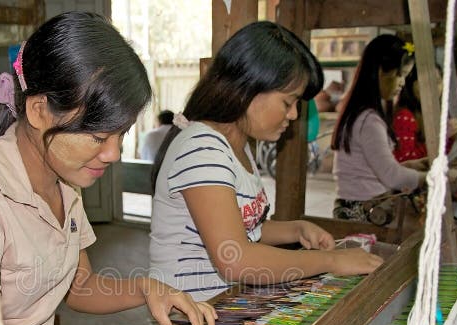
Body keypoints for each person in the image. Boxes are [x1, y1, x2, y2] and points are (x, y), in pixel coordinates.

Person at [0, 12, 215, 325]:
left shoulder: (64, 178)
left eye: (121, 135)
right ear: (38, 111)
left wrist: (145, 288)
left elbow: (79, 287)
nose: (113, 153)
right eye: (99, 136)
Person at [149, 21, 383, 302]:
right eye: (288, 102)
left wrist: (295, 229)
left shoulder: (237, 146)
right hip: (191, 317)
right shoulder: (202, 150)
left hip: (224, 305)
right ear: (249, 89)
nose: (294, 115)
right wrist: (331, 261)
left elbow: (244, 229)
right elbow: (235, 258)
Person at [331, 34, 426, 223]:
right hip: (362, 211)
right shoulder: (369, 121)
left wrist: (412, 166)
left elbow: (373, 166)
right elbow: (392, 176)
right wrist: (430, 178)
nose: (402, 83)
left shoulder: (361, 115)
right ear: (380, 71)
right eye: (399, 75)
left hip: (355, 204)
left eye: (405, 76)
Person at [392, 65, 457, 163]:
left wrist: (450, 137)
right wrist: (442, 136)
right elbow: (405, 160)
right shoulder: (405, 115)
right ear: (411, 84)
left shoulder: (434, 113)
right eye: (426, 82)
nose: (433, 88)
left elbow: (437, 155)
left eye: (437, 82)